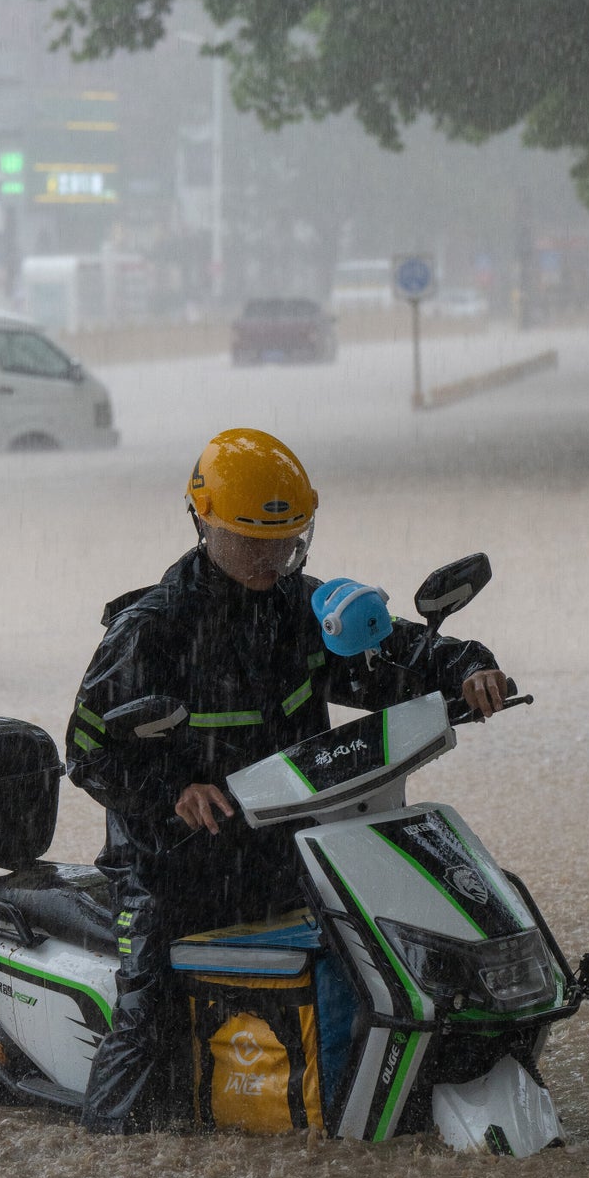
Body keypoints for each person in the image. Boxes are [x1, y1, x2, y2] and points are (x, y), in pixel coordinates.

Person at [65, 427, 509, 1135]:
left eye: (289, 542)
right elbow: (87, 751)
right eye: (253, 542)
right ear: (204, 524)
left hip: (284, 844)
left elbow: (389, 653)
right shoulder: (152, 630)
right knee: (147, 1018)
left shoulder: (309, 612)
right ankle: (116, 1150)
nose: (273, 558)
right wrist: (172, 790)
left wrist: (466, 668)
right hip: (171, 863)